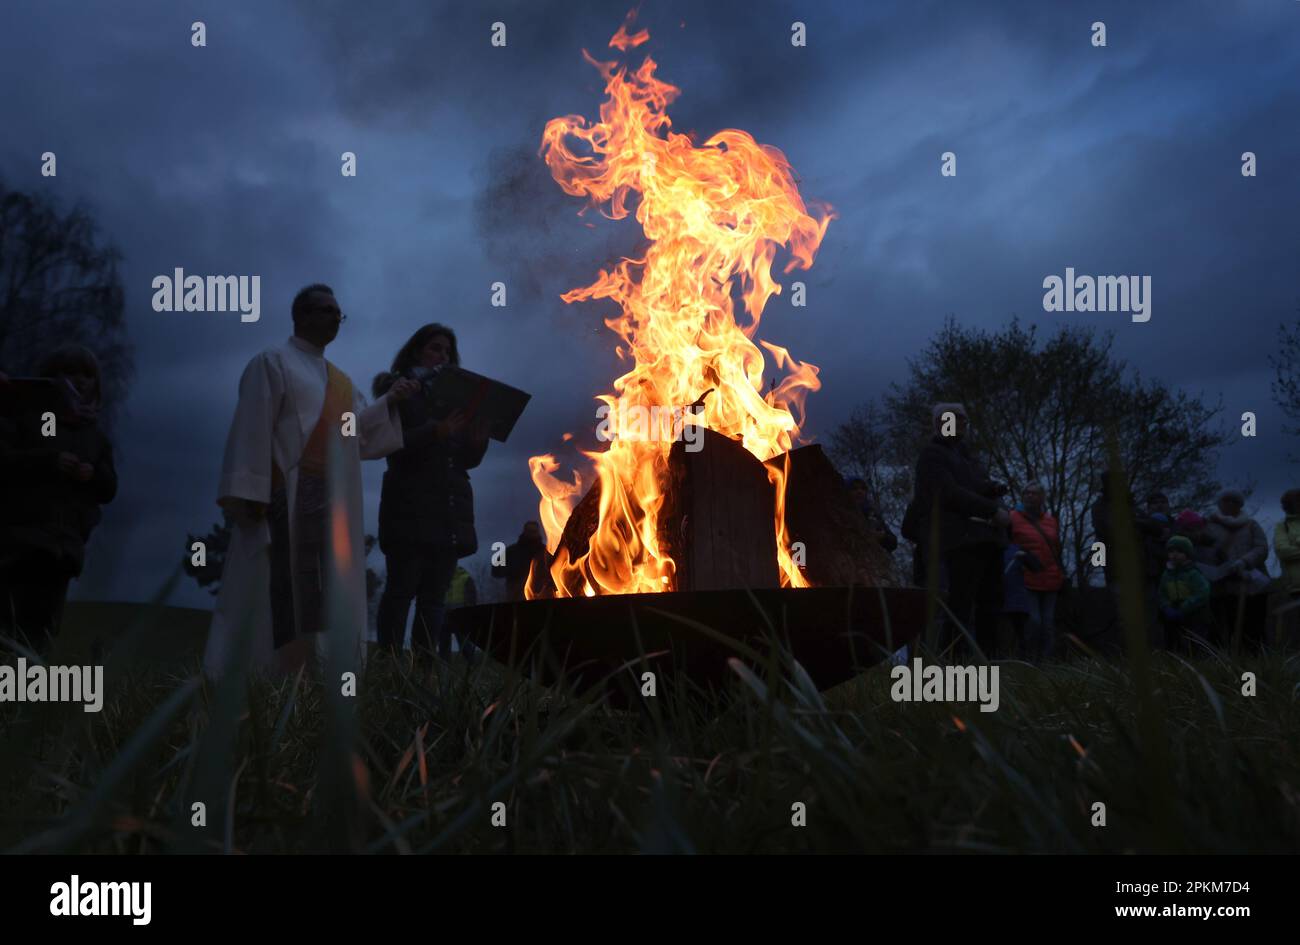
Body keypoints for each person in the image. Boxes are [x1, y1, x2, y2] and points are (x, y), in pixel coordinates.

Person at [203, 284, 417, 677]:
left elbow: (360, 436)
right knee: (270, 589)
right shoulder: (271, 362)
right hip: (283, 500)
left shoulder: (342, 382)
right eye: (326, 310)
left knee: (329, 591)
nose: (336, 318)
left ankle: (321, 681)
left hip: (331, 505)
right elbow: (253, 424)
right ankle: (251, 678)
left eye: (339, 312)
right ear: (301, 315)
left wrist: (390, 402)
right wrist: (251, 491)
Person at [373, 324, 489, 661]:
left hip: (449, 510)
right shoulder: (397, 391)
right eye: (435, 348)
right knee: (400, 593)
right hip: (409, 506)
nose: (443, 356)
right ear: (415, 351)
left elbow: (461, 459)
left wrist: (477, 444)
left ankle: (425, 674)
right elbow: (391, 446)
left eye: (448, 351)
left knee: (434, 599)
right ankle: (390, 668)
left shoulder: (455, 397)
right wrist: (435, 430)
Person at [0, 346, 117, 651]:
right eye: (70, 373)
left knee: (42, 631)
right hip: (19, 545)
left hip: (64, 549)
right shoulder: (27, 418)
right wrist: (49, 461)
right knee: (10, 625)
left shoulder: (95, 436)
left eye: (87, 375)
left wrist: (91, 474)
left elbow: (109, 488)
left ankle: (27, 692)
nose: (79, 382)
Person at [907, 403, 1008, 657]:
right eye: (955, 418)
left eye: (964, 419)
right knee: (957, 609)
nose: (961, 423)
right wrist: (991, 510)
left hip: (982, 539)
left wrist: (992, 489)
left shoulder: (967, 457)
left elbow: (972, 485)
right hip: (956, 543)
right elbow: (948, 492)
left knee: (990, 606)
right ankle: (951, 663)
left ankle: (991, 664)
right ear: (940, 423)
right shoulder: (932, 455)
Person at [1205, 489, 1269, 649]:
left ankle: (1254, 662)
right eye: (1226, 500)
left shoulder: (1251, 524)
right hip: (1221, 585)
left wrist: (1244, 561)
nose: (1230, 504)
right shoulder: (1208, 525)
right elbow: (1203, 550)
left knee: (1252, 626)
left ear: (1240, 505)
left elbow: (1261, 548)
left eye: (1234, 502)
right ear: (1220, 503)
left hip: (1251, 585)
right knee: (1222, 626)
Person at [1010, 481, 1065, 661]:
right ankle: (1027, 660)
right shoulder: (1013, 517)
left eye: (1034, 493)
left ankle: (1046, 664)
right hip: (1026, 577)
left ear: (1042, 498)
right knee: (1034, 621)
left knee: (1048, 624)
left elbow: (1056, 548)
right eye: (1026, 493)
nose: (1029, 496)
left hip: (1051, 578)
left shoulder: (1051, 521)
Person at [1158, 535, 1214, 653]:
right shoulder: (1166, 574)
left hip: (1195, 614)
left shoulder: (1193, 573)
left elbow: (1203, 592)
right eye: (1171, 551)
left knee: (1196, 642)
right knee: (1175, 641)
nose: (1174, 555)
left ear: (1187, 554)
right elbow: (1162, 594)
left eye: (1179, 551)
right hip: (1174, 613)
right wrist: (1166, 607)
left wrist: (1185, 607)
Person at [492, 520, 548, 601]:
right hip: (517, 599)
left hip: (543, 598)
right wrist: (514, 570)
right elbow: (496, 571)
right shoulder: (511, 552)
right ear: (525, 531)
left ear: (538, 532)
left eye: (534, 531)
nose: (532, 534)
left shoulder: (546, 552)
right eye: (530, 531)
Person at [846, 477, 898, 553]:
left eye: (863, 489)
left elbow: (893, 542)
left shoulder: (872, 514)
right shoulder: (843, 515)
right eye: (854, 489)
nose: (859, 491)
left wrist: (882, 537)